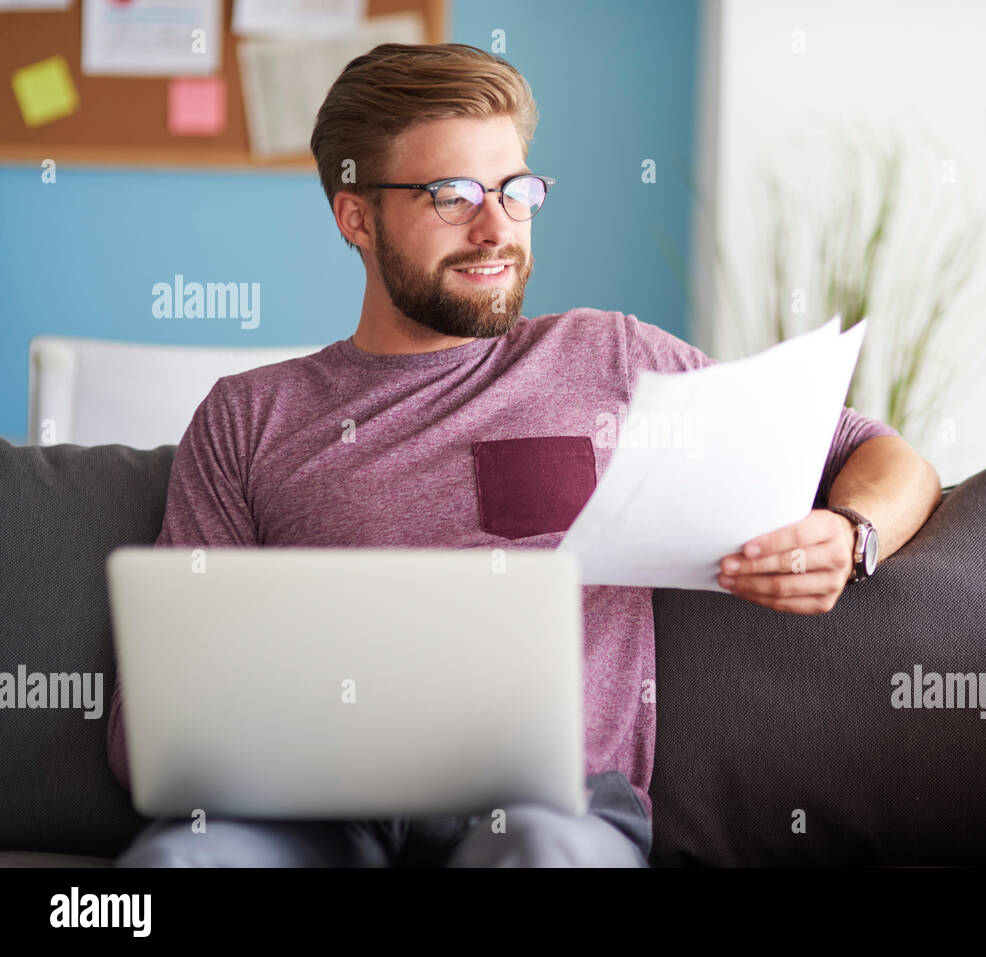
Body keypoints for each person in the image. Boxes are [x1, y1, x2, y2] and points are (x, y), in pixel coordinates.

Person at [110, 42, 942, 867]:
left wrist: (853, 534)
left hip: (553, 810)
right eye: (452, 195)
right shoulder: (248, 416)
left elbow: (883, 454)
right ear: (356, 215)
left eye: (515, 191)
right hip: (313, 814)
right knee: (177, 864)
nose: (495, 228)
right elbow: (149, 722)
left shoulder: (609, 357)